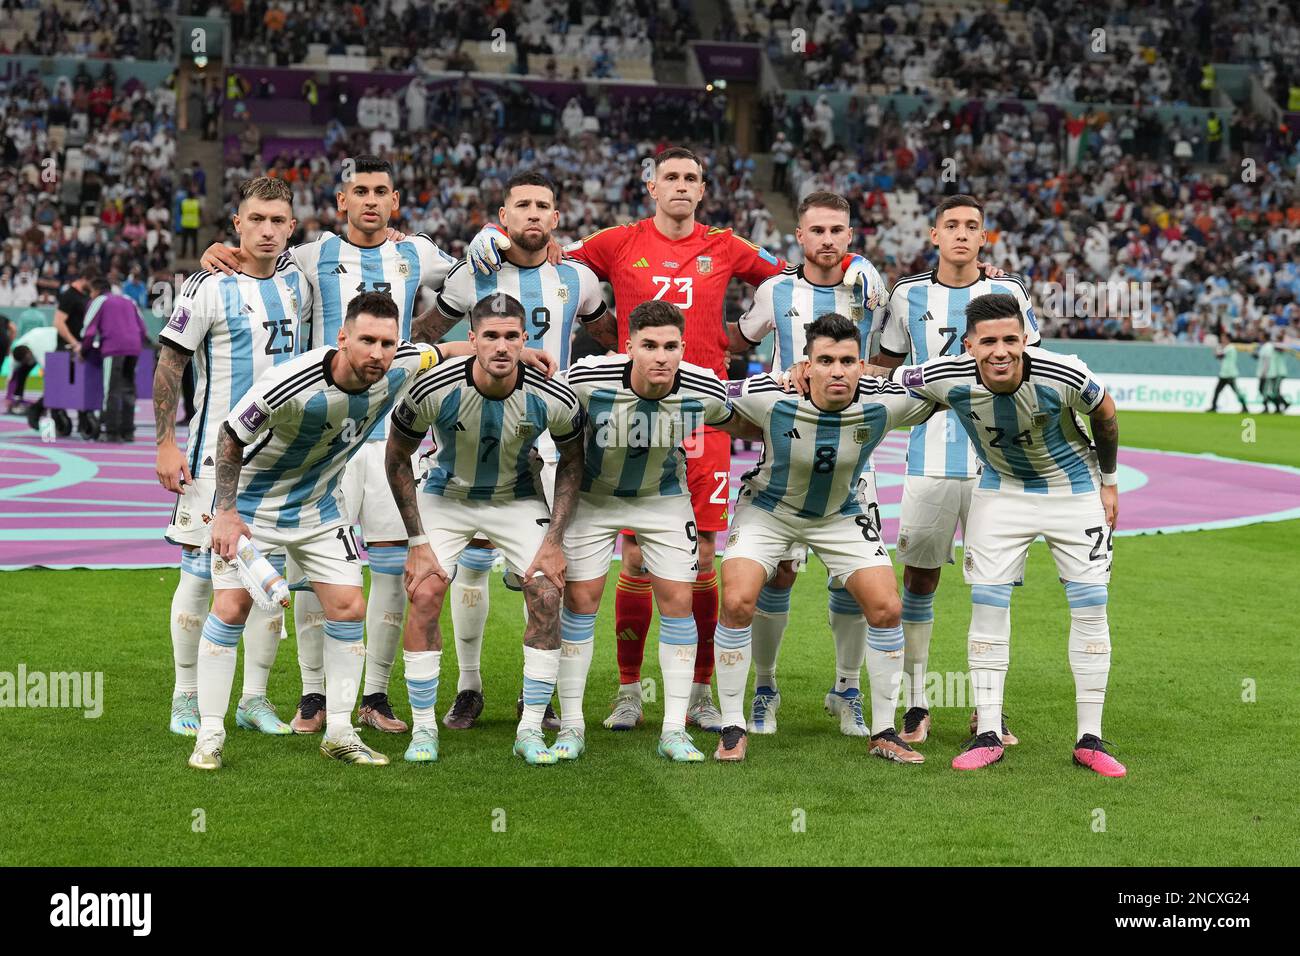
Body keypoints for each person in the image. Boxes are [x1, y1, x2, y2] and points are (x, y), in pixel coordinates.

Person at [465, 147, 879, 731]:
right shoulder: (615, 242)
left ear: (703, 189)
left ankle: (703, 692)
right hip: (630, 416)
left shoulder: (727, 245)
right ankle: (629, 692)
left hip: (701, 416)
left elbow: (801, 272)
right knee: (632, 555)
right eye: (671, 178)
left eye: (691, 178)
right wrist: (492, 233)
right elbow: (545, 254)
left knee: (704, 557)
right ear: (651, 187)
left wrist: (856, 261)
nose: (681, 186)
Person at [201, 156, 460, 736]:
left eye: (381, 192)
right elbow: (257, 256)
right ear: (340, 202)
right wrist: (219, 253)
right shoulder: (312, 253)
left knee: (392, 569)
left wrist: (423, 339)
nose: (370, 201)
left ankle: (375, 693)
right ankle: (315, 695)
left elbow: (472, 284)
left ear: (395, 202)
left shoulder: (419, 252)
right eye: (359, 191)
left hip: (396, 431)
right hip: (326, 439)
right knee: (314, 568)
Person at [192, 293, 449, 770]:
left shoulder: (401, 364)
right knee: (230, 609)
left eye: (387, 343)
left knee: (349, 607)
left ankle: (340, 731)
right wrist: (225, 512)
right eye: (367, 340)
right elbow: (230, 436)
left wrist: (517, 355)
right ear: (342, 338)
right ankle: (209, 733)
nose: (377, 353)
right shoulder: (290, 383)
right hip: (253, 507)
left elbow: (442, 351)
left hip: (321, 510)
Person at [890, 293, 1126, 777]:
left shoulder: (1065, 372)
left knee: (1090, 603)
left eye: (1011, 340)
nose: (1001, 351)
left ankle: (1090, 738)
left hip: (1073, 490)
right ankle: (989, 733)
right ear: (970, 346)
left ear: (1025, 339)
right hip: (1000, 493)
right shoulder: (943, 375)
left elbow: (1105, 411)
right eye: (989, 342)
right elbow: (886, 380)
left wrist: (1110, 483)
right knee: (988, 603)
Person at [411, 170, 610, 731]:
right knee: (469, 568)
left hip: (552, 441)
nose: (532, 214)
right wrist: (477, 352)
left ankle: (535, 697)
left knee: (545, 573)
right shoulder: (472, 276)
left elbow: (614, 342)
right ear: (502, 218)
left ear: (556, 219)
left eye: (542, 206)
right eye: (521, 205)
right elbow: (420, 342)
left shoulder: (581, 280)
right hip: (472, 435)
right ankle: (468, 687)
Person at [714, 314, 936, 763]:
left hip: (839, 514)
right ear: (807, 365)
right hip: (768, 511)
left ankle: (884, 731)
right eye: (826, 360)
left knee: (887, 607)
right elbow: (708, 395)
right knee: (738, 600)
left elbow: (947, 390)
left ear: (861, 366)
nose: (838, 370)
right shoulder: (770, 395)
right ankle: (733, 724)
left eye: (848, 361)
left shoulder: (885, 403)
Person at [383, 294, 585, 764]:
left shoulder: (553, 395)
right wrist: (416, 542)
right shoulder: (432, 388)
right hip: (447, 496)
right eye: (490, 335)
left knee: (548, 590)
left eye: (511, 336)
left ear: (524, 340)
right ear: (471, 339)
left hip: (515, 496)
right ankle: (424, 729)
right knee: (426, 590)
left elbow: (573, 464)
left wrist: (554, 542)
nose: (501, 346)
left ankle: (531, 728)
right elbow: (396, 458)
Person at [869, 194, 1040, 746]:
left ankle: (989, 711)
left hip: (998, 466)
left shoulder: (1007, 292)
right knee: (919, 579)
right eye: (952, 226)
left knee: (994, 587)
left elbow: (1030, 368)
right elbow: (886, 369)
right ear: (933, 235)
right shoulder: (906, 295)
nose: (962, 234)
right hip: (931, 461)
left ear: (984, 237)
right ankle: (917, 702)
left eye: (973, 226)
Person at [155, 176, 313, 739]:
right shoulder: (205, 286)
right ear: (237, 225)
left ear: (291, 228)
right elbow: (170, 363)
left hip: (282, 464)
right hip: (208, 459)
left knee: (267, 583)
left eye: (277, 221)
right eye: (256, 220)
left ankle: (253, 698)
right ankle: (186, 695)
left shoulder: (301, 281)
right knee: (201, 578)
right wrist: (164, 441)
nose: (266, 230)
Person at [726, 190, 887, 737]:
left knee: (852, 583)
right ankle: (765, 688)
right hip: (784, 457)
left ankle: (846, 689)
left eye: (836, 231)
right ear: (799, 235)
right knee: (781, 574)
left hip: (850, 459)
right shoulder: (776, 291)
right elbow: (739, 342)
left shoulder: (870, 289)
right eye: (816, 230)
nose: (826, 240)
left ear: (850, 236)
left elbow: (887, 365)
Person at [555, 300, 733, 762]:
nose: (661, 356)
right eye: (649, 345)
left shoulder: (705, 389)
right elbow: (541, 408)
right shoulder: (586, 378)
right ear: (628, 346)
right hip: (593, 500)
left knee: (679, 601)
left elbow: (754, 408)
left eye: (670, 346)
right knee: (580, 602)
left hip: (663, 499)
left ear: (683, 348)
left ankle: (674, 730)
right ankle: (572, 727)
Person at [81, 277, 148, 442]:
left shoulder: (100, 300)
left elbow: (88, 330)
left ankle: (111, 431)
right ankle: (128, 430)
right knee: (128, 389)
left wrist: (84, 350)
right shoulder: (129, 299)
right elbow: (143, 328)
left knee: (110, 389)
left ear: (95, 290)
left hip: (114, 348)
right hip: (134, 348)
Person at [52, 266, 99, 440]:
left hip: (82, 349)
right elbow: (58, 322)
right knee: (61, 390)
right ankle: (54, 417)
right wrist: (74, 343)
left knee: (82, 389)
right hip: (67, 348)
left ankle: (82, 421)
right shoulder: (68, 295)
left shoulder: (86, 297)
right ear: (85, 278)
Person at [1207, 333, 1250, 412]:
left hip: (1230, 373)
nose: (1222, 340)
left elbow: (1220, 356)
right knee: (1217, 390)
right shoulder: (1228, 348)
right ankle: (1213, 406)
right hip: (1224, 373)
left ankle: (1245, 407)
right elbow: (1221, 357)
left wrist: (1215, 350)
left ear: (1227, 339)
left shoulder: (1230, 347)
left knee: (1236, 391)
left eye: (1223, 338)